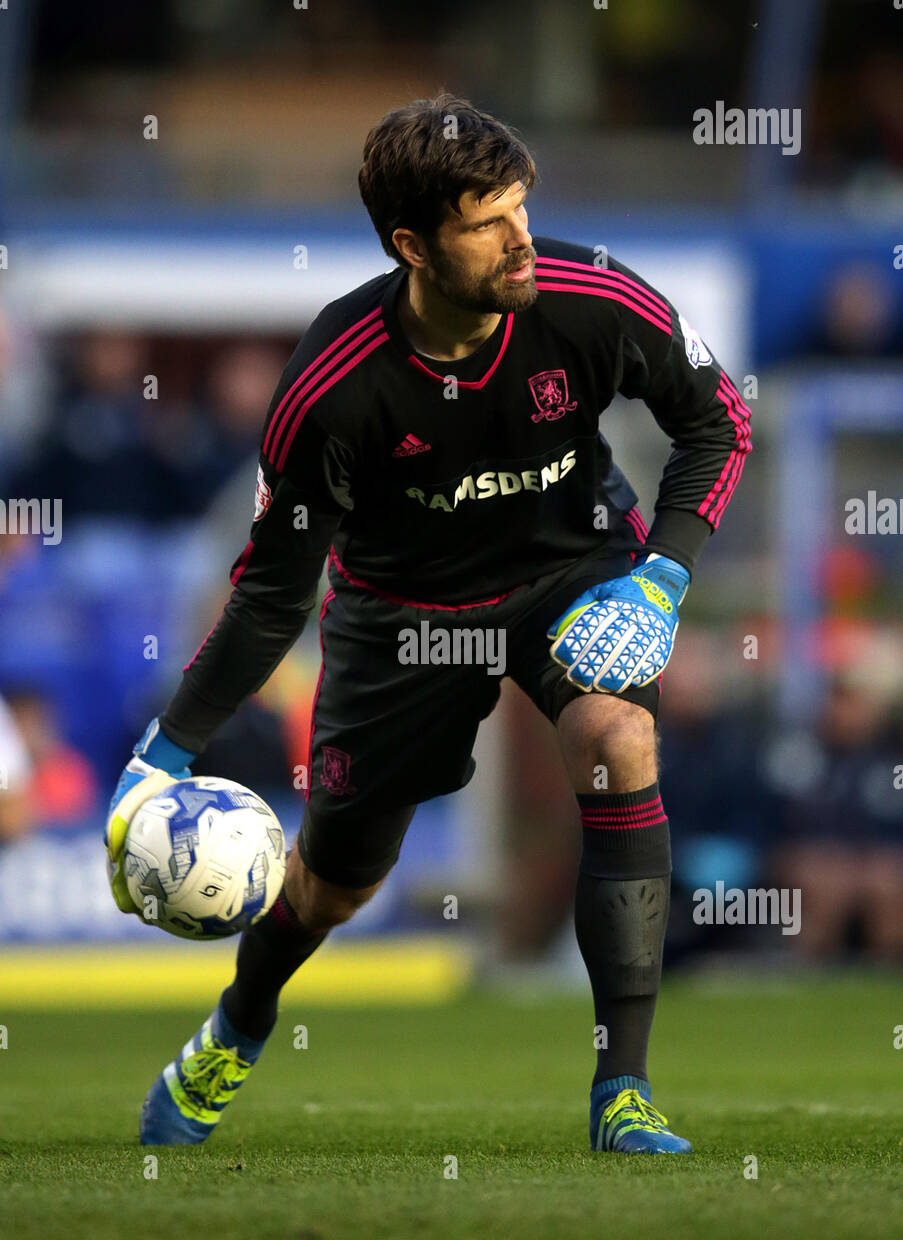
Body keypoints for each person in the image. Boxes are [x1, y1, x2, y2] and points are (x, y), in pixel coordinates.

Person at [106, 94, 751, 1154]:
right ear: (412, 244)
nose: (521, 240)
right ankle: (237, 1026)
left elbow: (717, 419)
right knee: (331, 886)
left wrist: (664, 575)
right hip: (401, 617)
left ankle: (622, 1094)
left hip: (571, 571)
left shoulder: (587, 298)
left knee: (618, 740)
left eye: (522, 209)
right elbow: (272, 593)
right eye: (486, 223)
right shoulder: (332, 390)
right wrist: (161, 756)